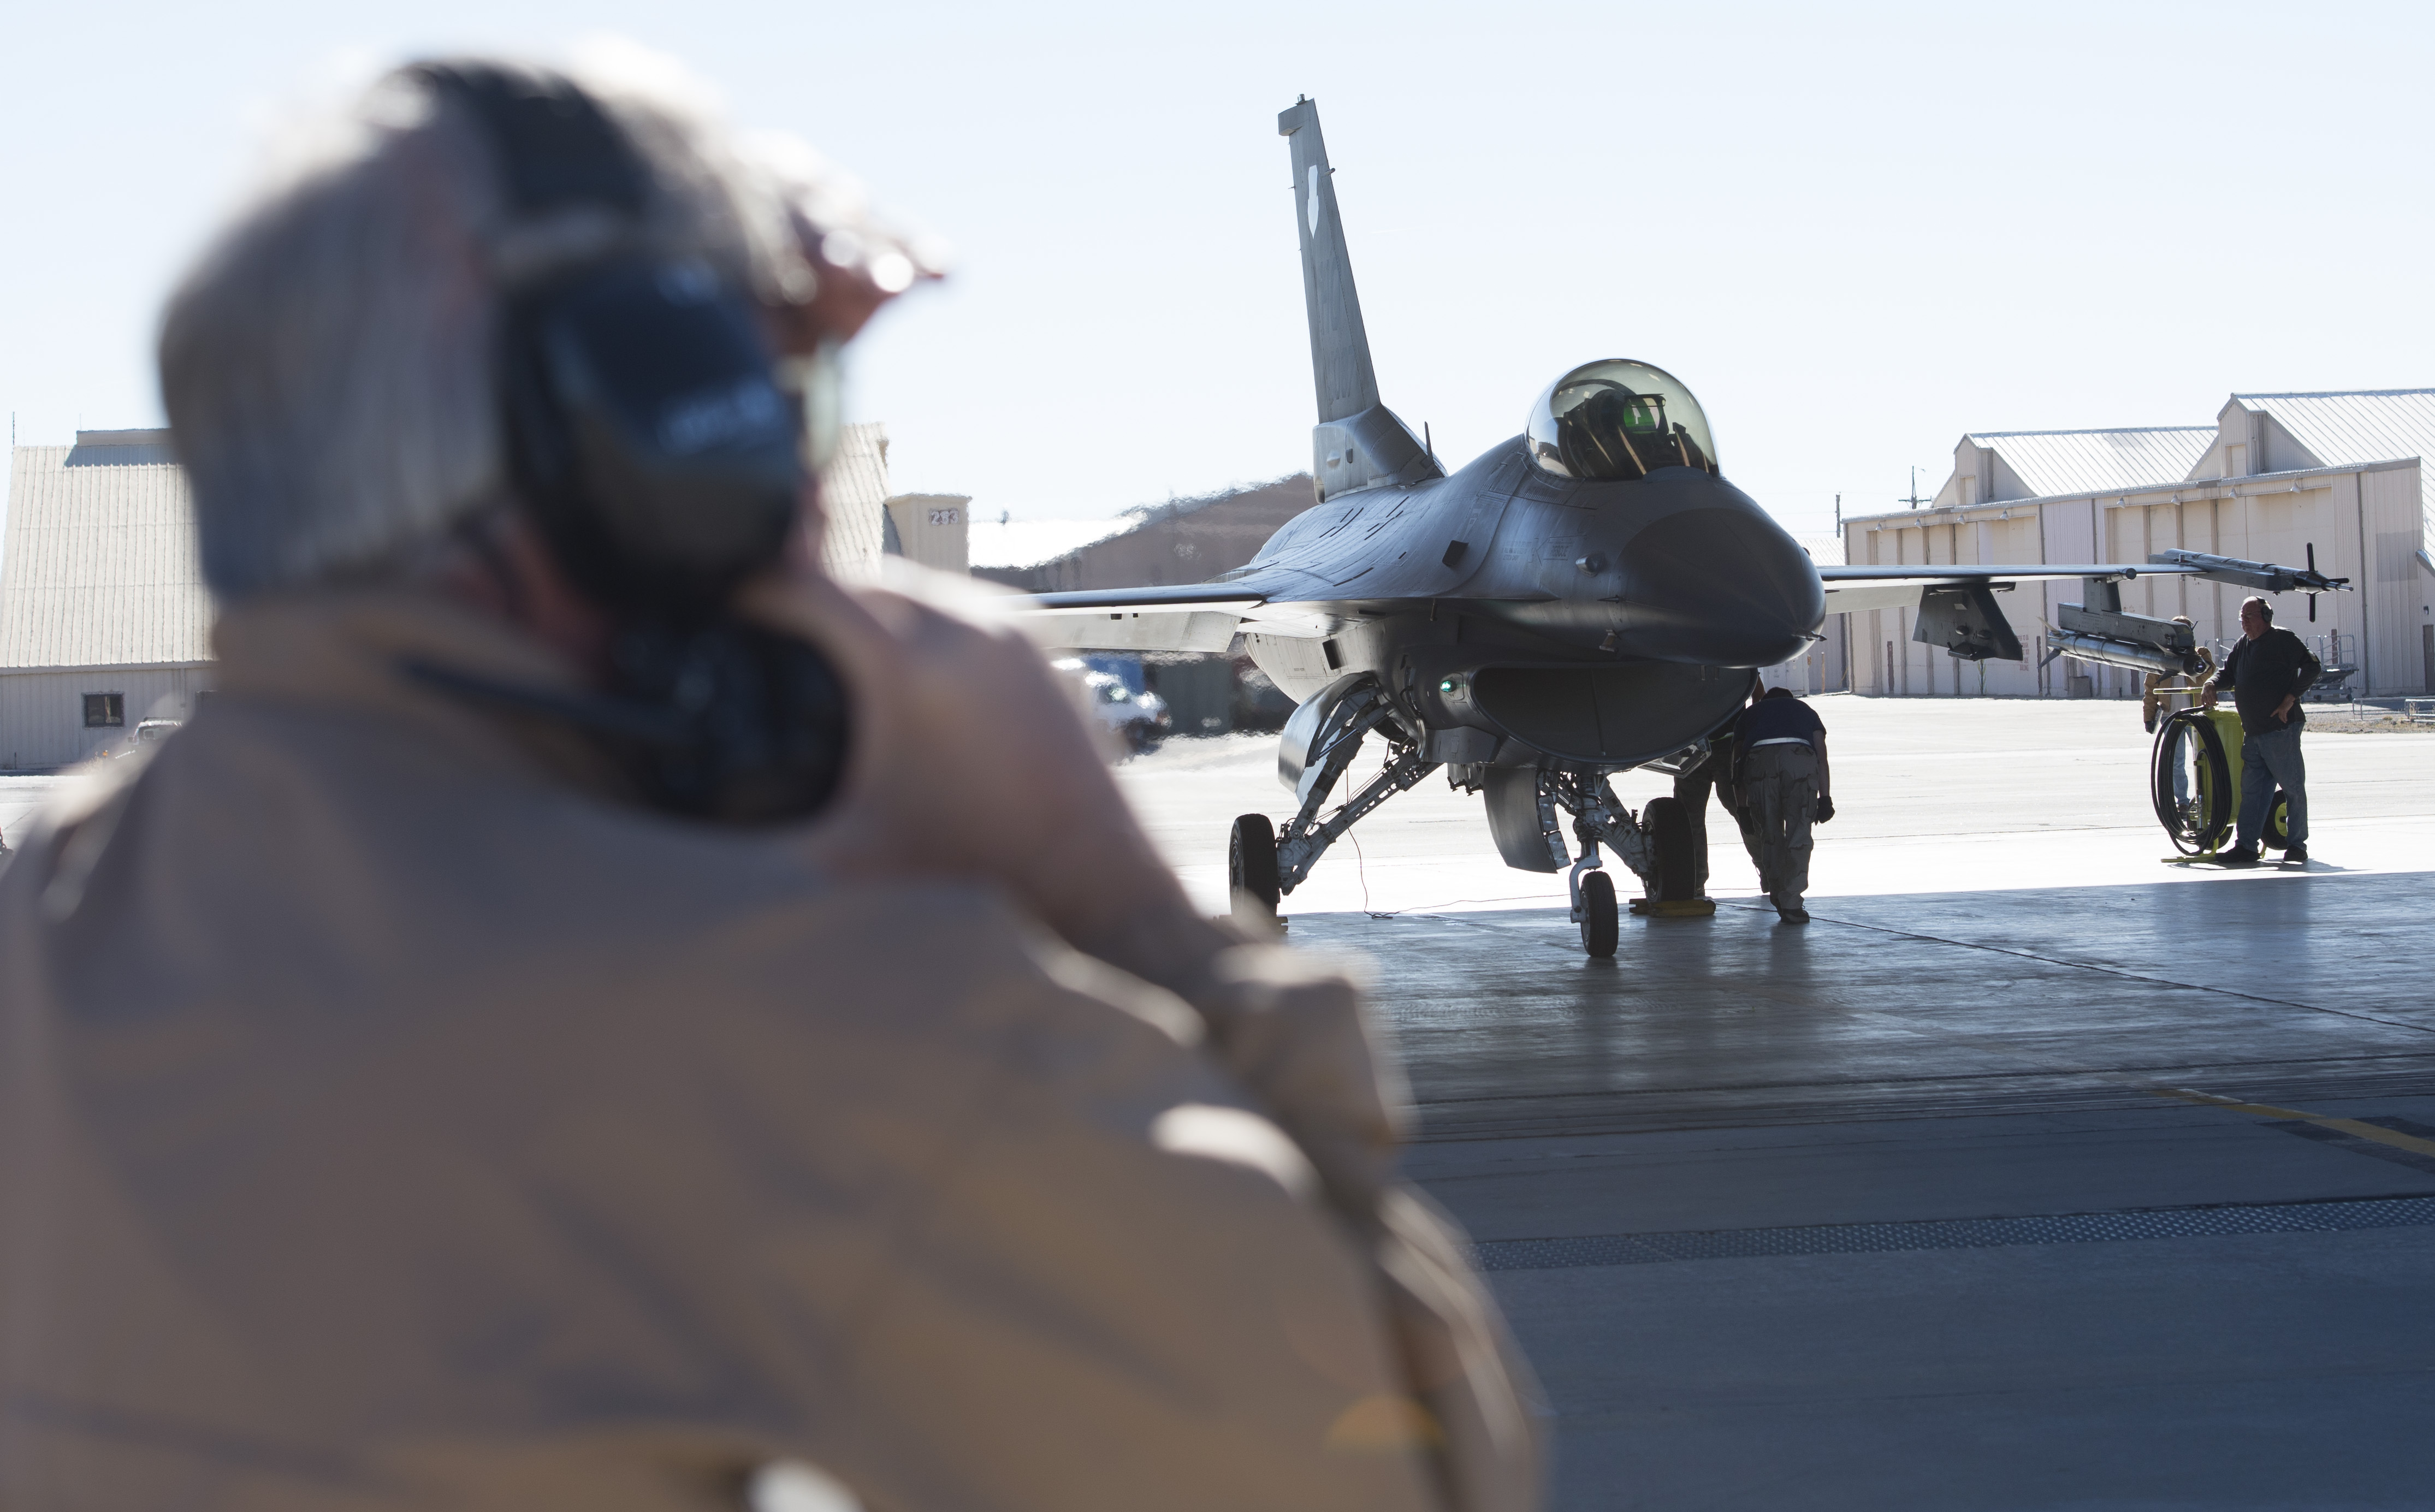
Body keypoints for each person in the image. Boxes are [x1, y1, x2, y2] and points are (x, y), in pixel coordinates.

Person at [0, 56, 1538, 1512]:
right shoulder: (840, 1031)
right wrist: (1119, 901)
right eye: (781, 407)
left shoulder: (39, 917)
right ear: (661, 452)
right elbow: (1395, 1466)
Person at [2202, 595, 2320, 864]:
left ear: (2266, 617)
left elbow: (2313, 667)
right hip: (2254, 733)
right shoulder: (2243, 645)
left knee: (2292, 788)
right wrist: (2211, 683)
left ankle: (2297, 846)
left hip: (2280, 730)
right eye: (2242, 618)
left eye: (2250, 617)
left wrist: (2290, 698)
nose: (2245, 623)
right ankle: (2246, 846)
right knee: (2253, 792)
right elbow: (2227, 673)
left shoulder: (2283, 640)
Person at [1730, 685, 1833, 922]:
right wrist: (1825, 798)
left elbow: (1737, 765)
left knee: (1771, 834)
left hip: (1760, 762)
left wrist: (1742, 807)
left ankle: (1778, 895)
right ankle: (1792, 903)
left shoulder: (1750, 715)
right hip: (1799, 760)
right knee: (1799, 834)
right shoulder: (1805, 710)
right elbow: (1821, 757)